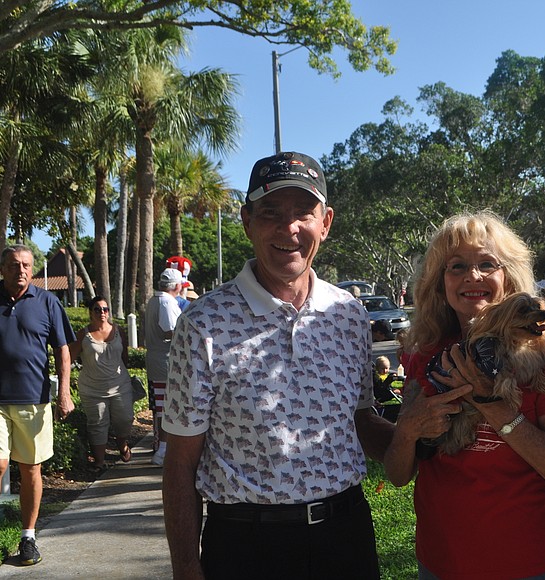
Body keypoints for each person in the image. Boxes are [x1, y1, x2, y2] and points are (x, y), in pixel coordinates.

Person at [161, 151, 394, 579]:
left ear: (325, 223)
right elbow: (180, 462)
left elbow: (359, 421)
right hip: (246, 547)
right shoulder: (204, 323)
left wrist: (430, 437)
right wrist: (186, 568)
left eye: (304, 212)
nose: (289, 229)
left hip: (344, 538)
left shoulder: (349, 315)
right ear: (248, 221)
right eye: (271, 212)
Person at [383, 211, 545, 579]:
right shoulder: (424, 353)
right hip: (440, 564)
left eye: (486, 264)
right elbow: (397, 475)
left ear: (507, 276)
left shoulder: (543, 351)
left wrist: (493, 405)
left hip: (528, 564)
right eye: (456, 266)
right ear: (439, 282)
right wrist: (408, 430)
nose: (471, 276)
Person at [0, 245, 75, 566]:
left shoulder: (48, 302)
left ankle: (28, 536)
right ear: (2, 268)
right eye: (15, 264)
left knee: (31, 469)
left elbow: (63, 350)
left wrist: (65, 392)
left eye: (27, 265)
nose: (22, 270)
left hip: (34, 399)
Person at [69, 296, 134, 473]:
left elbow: (125, 357)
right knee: (97, 423)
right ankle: (99, 461)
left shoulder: (119, 331)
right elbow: (68, 358)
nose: (102, 313)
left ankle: (122, 445)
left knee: (125, 418)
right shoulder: (83, 334)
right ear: (90, 312)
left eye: (105, 309)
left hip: (120, 386)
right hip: (92, 389)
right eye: (97, 309)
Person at [144, 267, 182, 466]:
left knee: (160, 407)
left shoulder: (153, 300)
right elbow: (171, 331)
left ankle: (161, 446)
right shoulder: (166, 302)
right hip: (165, 363)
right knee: (167, 407)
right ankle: (163, 450)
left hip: (156, 361)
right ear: (176, 286)